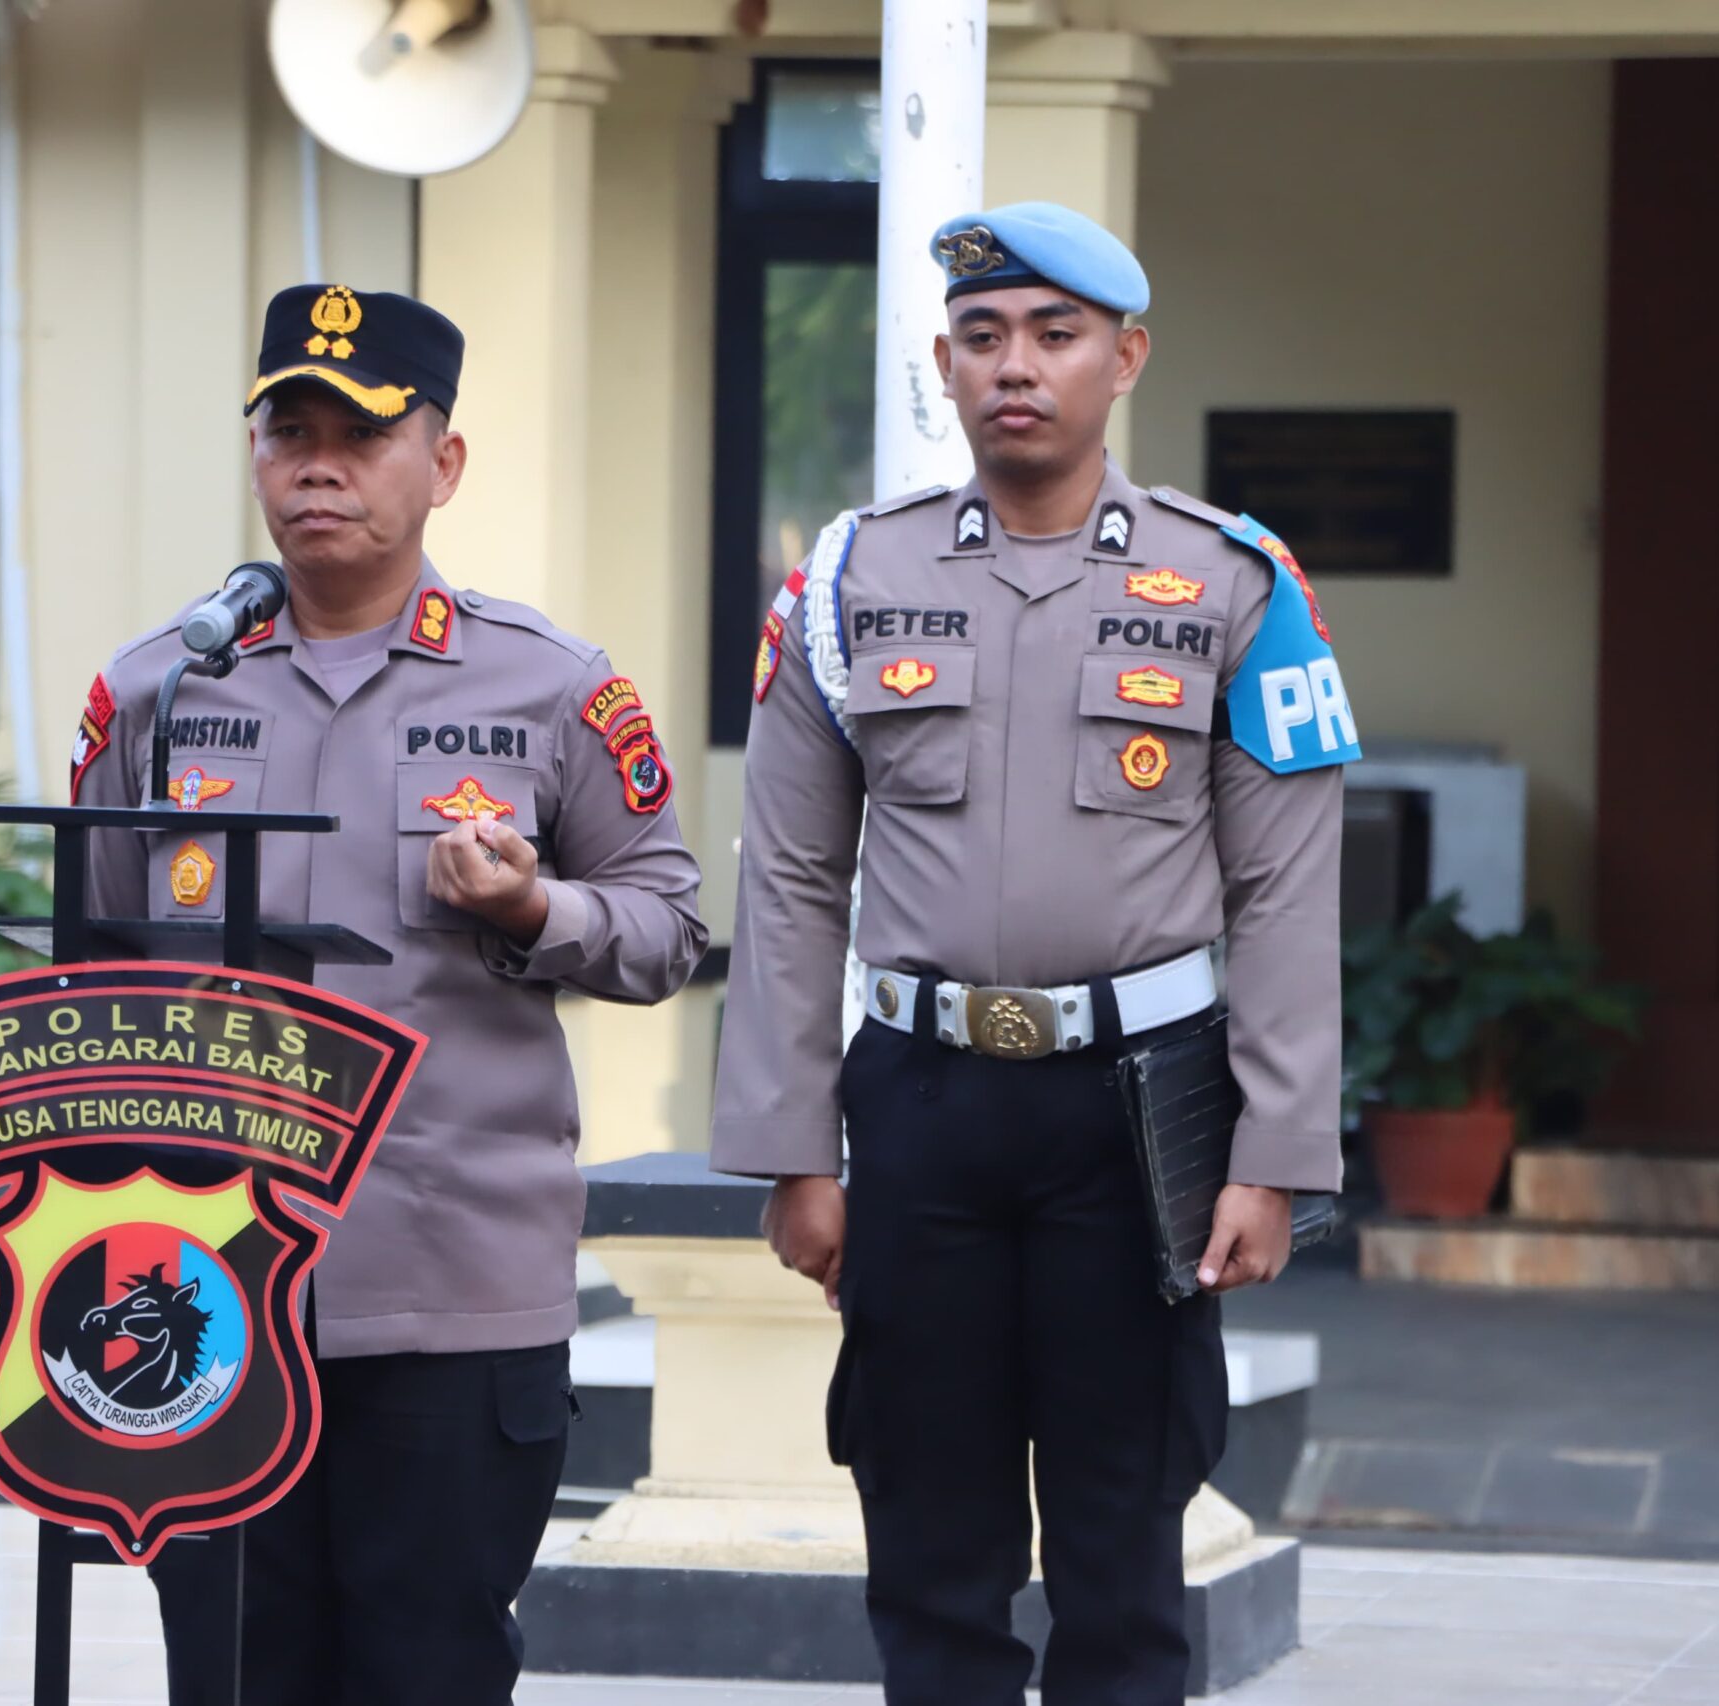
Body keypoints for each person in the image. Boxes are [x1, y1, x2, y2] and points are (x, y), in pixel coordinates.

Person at [711, 202, 1359, 1706]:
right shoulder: (844, 584)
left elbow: (1284, 893)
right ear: (943, 363)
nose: (1018, 367)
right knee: (926, 1530)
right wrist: (795, 1149)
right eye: (985, 337)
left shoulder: (1236, 585)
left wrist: (1276, 1152)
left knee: (1124, 1543)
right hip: (922, 1101)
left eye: (1056, 335)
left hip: (1138, 1109)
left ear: (1125, 357)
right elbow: (795, 879)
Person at [72, 283, 709, 1706]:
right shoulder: (159, 694)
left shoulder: (551, 690)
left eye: (359, 435)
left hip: (449, 1297)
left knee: (427, 1672)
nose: (318, 465)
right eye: (287, 430)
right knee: (233, 1675)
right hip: (207, 1292)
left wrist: (536, 905)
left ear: (445, 462)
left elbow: (668, 925)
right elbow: (92, 969)